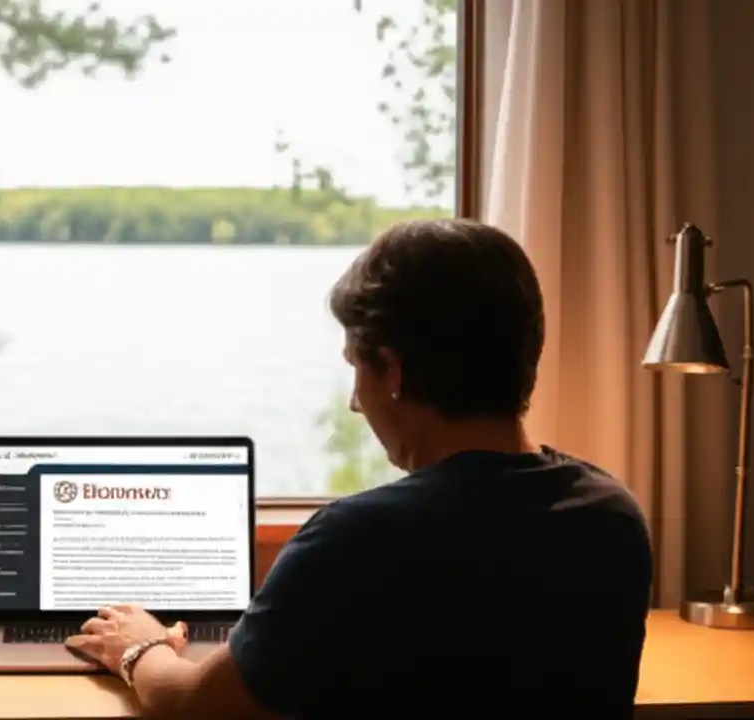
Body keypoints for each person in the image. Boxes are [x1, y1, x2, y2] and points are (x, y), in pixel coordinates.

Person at [66, 219, 654, 718]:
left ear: (393, 372)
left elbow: (193, 703)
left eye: (357, 367)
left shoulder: (361, 538)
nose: (355, 399)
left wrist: (140, 648)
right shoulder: (611, 516)